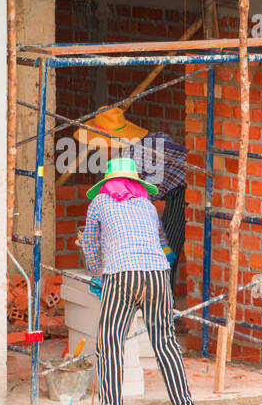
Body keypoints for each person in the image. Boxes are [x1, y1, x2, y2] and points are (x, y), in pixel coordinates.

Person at [78, 156, 199, 405]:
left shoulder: (99, 202)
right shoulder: (147, 205)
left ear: (107, 184)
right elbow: (160, 242)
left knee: (110, 342)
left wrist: (97, 274)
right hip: (158, 275)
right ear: (136, 183)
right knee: (165, 340)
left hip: (121, 274)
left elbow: (88, 243)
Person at [76, 106, 189, 292]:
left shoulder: (130, 159)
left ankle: (165, 301)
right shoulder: (125, 152)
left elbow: (139, 205)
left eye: (98, 145)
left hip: (183, 188)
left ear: (109, 143)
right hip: (170, 188)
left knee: (167, 250)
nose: (96, 150)